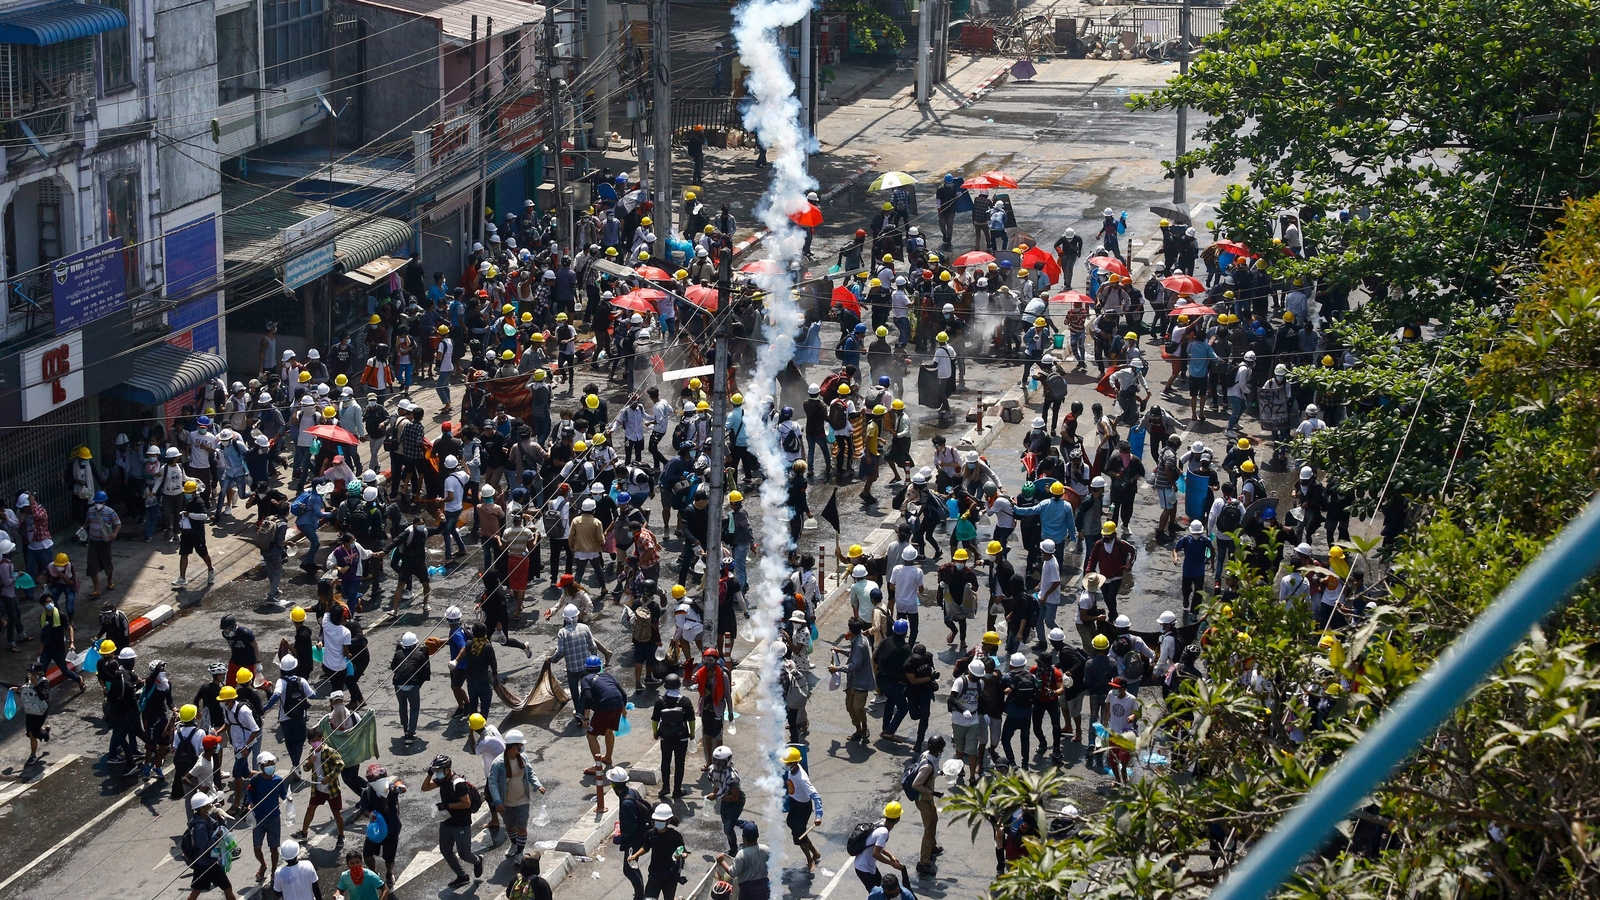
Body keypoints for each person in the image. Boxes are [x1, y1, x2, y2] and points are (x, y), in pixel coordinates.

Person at [424, 755, 485, 887]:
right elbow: (425, 788)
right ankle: (462, 876)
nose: (437, 773)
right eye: (435, 770)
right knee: (445, 850)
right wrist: (429, 774)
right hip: (446, 822)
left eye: (439, 770)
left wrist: (446, 806)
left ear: (447, 769)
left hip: (461, 824)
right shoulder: (442, 780)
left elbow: (466, 803)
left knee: (464, 854)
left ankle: (477, 861)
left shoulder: (458, 784)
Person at [489, 729, 547, 860]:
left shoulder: (523, 758)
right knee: (510, 826)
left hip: (522, 800)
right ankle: (514, 844)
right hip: (506, 802)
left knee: (521, 826)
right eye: (520, 745)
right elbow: (492, 783)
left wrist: (538, 785)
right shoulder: (498, 764)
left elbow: (530, 773)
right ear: (513, 746)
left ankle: (520, 852)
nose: (522, 747)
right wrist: (497, 802)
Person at [183, 793, 240, 900]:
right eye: (209, 804)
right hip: (205, 864)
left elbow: (221, 828)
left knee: (200, 890)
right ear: (202, 808)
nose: (212, 806)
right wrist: (217, 836)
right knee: (225, 888)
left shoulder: (206, 819)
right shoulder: (200, 826)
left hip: (208, 862)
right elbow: (206, 848)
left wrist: (221, 819)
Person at [296, 724, 347, 844]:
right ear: (309, 742)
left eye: (318, 740)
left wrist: (329, 777)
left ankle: (341, 836)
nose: (316, 743)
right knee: (310, 809)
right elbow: (306, 768)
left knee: (336, 813)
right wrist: (309, 762)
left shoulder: (329, 751)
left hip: (331, 789)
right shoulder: (311, 752)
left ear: (322, 739)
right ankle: (304, 833)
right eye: (313, 741)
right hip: (317, 788)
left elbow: (340, 764)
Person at [358, 763, 405, 885]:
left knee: (389, 856)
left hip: (392, 828)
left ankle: (389, 874)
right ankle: (374, 871)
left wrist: (400, 787)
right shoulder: (367, 793)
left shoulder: (391, 788)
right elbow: (363, 809)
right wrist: (370, 815)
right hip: (376, 829)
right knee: (367, 854)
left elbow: (398, 785)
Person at [608, 767, 650, 900]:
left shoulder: (626, 803)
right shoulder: (631, 792)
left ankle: (640, 895)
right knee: (632, 867)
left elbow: (632, 828)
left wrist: (619, 838)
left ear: (614, 785)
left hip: (634, 841)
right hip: (640, 836)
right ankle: (640, 894)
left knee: (629, 869)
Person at [652, 672, 696, 799]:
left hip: (665, 738)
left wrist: (655, 732)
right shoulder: (685, 701)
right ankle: (677, 790)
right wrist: (692, 733)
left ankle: (665, 787)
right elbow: (691, 720)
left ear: (665, 686)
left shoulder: (660, 701)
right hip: (681, 739)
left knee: (665, 762)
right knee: (679, 763)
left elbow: (655, 719)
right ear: (678, 685)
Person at [246, 753, 289, 882]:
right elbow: (249, 791)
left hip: (274, 819)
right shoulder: (256, 779)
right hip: (258, 819)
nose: (271, 766)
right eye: (267, 764)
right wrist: (250, 802)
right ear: (261, 766)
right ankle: (263, 864)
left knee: (274, 848)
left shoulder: (278, 780)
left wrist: (289, 799)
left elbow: (284, 795)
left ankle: (274, 870)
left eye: (272, 763)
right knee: (257, 847)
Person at [631, 804, 687, 900]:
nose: (658, 822)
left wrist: (682, 855)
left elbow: (682, 850)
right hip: (654, 874)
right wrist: (635, 855)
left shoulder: (675, 836)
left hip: (670, 876)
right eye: (657, 820)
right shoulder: (650, 834)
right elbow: (646, 847)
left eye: (661, 820)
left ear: (668, 821)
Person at [908, 735, 946, 875]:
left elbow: (932, 773)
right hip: (923, 799)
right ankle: (923, 862)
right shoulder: (928, 766)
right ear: (940, 750)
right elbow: (916, 784)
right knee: (929, 829)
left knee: (933, 820)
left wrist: (941, 772)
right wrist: (930, 792)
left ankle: (932, 847)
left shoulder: (927, 755)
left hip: (927, 798)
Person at [781, 746, 823, 870]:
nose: (785, 765)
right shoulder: (791, 771)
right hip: (794, 803)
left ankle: (810, 860)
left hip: (803, 808)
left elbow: (816, 796)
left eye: (787, 763)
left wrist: (819, 816)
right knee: (791, 824)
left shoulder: (802, 778)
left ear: (794, 763)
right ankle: (815, 853)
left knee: (798, 835)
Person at [853, 801, 909, 892]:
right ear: (898, 819)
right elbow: (876, 853)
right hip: (863, 868)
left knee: (882, 888)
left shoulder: (881, 823)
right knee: (876, 894)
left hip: (868, 865)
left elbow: (877, 846)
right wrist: (892, 864)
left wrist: (890, 856)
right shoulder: (884, 832)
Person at [1102, 677, 1141, 784]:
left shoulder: (1131, 699)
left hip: (1126, 733)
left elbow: (1138, 713)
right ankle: (1118, 779)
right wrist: (1105, 721)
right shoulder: (1111, 694)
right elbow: (1108, 705)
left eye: (1117, 688)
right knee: (1112, 759)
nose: (1114, 690)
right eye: (1113, 687)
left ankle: (1123, 770)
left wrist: (1133, 716)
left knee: (1123, 756)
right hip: (1113, 732)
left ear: (1123, 689)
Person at [718, 821, 770, 900]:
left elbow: (733, 873)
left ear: (743, 838)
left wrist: (721, 861)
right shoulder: (766, 849)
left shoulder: (741, 854)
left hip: (748, 890)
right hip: (764, 886)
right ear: (758, 835)